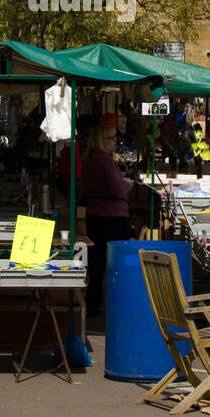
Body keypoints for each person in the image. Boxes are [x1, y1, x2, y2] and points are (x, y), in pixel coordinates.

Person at [82, 125, 135, 317]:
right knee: (116, 263)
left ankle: (93, 304)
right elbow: (118, 190)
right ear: (103, 141)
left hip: (94, 215)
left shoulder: (89, 160)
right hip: (112, 216)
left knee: (96, 264)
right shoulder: (105, 161)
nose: (115, 142)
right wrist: (128, 185)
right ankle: (116, 304)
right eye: (112, 138)